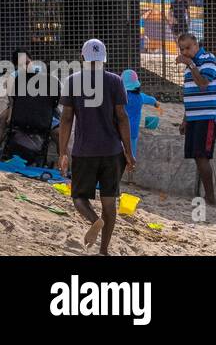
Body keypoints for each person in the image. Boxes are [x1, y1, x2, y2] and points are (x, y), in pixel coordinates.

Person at [57, 39, 134, 255]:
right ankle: (104, 250)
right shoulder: (115, 81)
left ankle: (94, 219)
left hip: (85, 151)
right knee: (109, 202)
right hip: (112, 151)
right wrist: (128, 151)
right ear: (104, 59)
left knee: (79, 197)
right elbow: (122, 117)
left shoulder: (72, 80)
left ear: (83, 58)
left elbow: (66, 119)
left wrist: (63, 152)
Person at [176, 32, 216, 208]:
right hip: (194, 116)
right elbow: (191, 93)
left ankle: (210, 199)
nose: (185, 52)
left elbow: (203, 84)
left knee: (202, 156)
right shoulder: (190, 66)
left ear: (196, 45)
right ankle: (205, 197)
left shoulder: (208, 59)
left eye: (187, 48)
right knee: (197, 156)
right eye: (182, 49)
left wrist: (191, 64)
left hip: (207, 116)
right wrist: (185, 119)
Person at [120, 69, 157, 160]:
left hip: (120, 130)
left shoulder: (120, 97)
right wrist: (156, 103)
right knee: (131, 155)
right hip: (133, 131)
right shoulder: (140, 96)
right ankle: (130, 168)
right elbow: (151, 99)